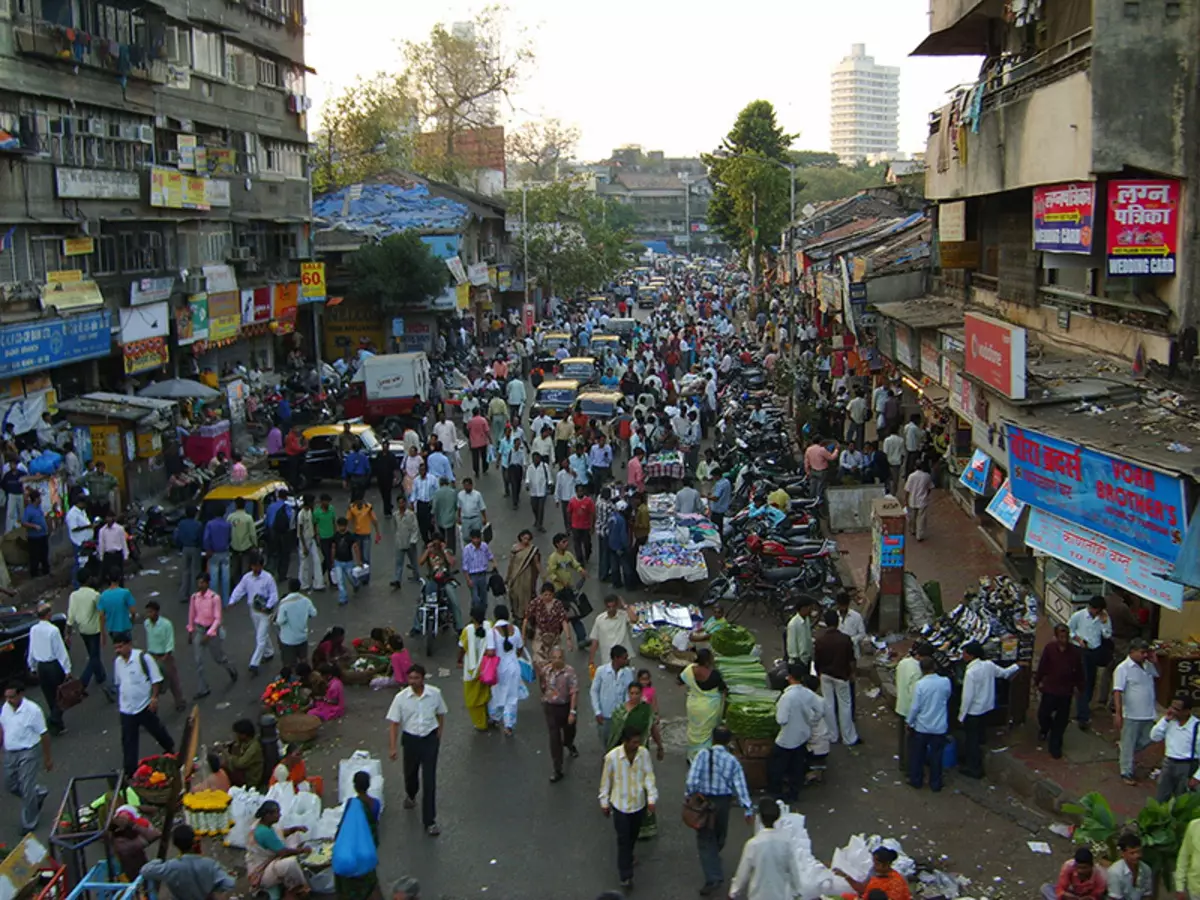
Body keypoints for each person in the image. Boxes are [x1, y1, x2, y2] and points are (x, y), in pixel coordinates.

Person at [686, 725, 753, 895]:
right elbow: (739, 784)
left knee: (705, 839)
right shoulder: (732, 761)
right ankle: (714, 862)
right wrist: (747, 808)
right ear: (728, 741)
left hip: (704, 803)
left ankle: (713, 876)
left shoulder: (702, 755)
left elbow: (692, 780)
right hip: (723, 804)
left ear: (712, 738)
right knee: (719, 835)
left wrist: (689, 795)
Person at [386, 664, 447, 837]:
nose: (413, 681)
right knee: (410, 773)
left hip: (429, 739)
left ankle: (430, 821)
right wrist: (392, 747)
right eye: (410, 678)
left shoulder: (434, 694)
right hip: (411, 739)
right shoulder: (401, 698)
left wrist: (439, 734)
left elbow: (441, 713)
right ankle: (411, 794)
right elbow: (394, 724)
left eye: (416, 678)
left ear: (423, 678)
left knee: (430, 781)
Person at [598, 726, 658, 892]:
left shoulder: (643, 754)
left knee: (632, 837)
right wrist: (604, 802)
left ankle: (629, 857)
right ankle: (626, 875)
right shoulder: (612, 758)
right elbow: (606, 782)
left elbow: (649, 776)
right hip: (620, 806)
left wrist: (651, 798)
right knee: (623, 840)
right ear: (625, 742)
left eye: (638, 742)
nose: (637, 745)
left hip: (638, 804)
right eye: (634, 742)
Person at [112, 632, 176, 776]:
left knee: (156, 729)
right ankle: (130, 771)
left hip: (144, 705)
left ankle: (169, 748)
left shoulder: (143, 658)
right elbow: (119, 683)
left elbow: (156, 680)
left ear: (129, 644)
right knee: (128, 741)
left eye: (120, 647)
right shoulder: (118, 663)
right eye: (116, 648)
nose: (118, 651)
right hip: (127, 709)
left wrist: (154, 698)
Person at [958, 640, 1020, 779]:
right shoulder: (989, 666)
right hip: (986, 708)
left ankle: (974, 767)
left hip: (973, 711)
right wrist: (1016, 666)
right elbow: (1004, 673)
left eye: (965, 653)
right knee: (979, 737)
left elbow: (967, 697)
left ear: (971, 655)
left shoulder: (971, 673)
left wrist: (961, 716)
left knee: (971, 740)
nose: (963, 655)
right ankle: (976, 760)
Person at [1, 681, 52, 835]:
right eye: (6, 697)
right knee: (10, 784)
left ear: (21, 694)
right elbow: (3, 727)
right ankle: (38, 794)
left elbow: (44, 734)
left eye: (12, 697)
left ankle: (29, 822)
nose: (9, 700)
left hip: (29, 750)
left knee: (26, 786)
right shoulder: (6, 708)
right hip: (10, 752)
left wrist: (47, 758)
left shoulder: (33, 710)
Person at [770, 662, 824, 803]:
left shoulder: (786, 697)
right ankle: (794, 794)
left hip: (786, 738)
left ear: (789, 677)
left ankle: (777, 794)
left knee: (777, 767)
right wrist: (811, 722)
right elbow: (820, 710)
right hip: (802, 736)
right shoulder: (808, 694)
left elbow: (781, 719)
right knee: (797, 767)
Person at [729, 798, 803, 900]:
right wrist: (797, 891)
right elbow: (793, 870)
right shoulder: (785, 842)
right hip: (779, 895)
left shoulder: (753, 844)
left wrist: (734, 892)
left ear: (759, 818)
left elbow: (743, 873)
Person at [140, 824, 236, 900]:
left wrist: (158, 861)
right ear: (195, 843)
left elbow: (145, 870)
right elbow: (230, 884)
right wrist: (213, 886)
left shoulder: (171, 866)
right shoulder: (209, 864)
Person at [1114, 638, 1159, 785]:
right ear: (1132, 652)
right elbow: (1117, 692)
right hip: (1132, 713)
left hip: (1148, 712)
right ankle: (1126, 771)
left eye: (1146, 652)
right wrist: (1118, 713)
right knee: (1129, 742)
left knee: (1150, 738)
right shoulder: (1123, 668)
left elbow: (1159, 674)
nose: (1144, 655)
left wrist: (1155, 661)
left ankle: (1126, 752)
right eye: (1142, 652)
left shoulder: (1147, 666)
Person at [1035, 623, 1083, 760]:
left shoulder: (1074, 652)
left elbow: (1079, 671)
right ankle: (1045, 728)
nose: (1064, 639)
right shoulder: (1050, 649)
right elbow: (1042, 666)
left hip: (1065, 691)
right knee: (1043, 714)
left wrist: (1080, 687)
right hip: (1050, 689)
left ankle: (1055, 745)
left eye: (1066, 636)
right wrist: (1037, 681)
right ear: (1056, 637)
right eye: (1061, 636)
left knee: (1061, 720)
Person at [244, 800, 310, 899]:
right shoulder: (263, 832)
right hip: (261, 871)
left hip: (267, 861)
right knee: (291, 863)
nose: (279, 815)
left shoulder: (263, 825)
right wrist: (301, 851)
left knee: (294, 837)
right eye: (277, 813)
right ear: (267, 815)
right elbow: (283, 852)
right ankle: (296, 888)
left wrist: (295, 829)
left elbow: (280, 833)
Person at [187, 573, 238, 699]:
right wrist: (190, 630)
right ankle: (203, 688)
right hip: (199, 630)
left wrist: (209, 634)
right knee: (198, 661)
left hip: (212, 630)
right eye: (199, 583)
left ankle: (230, 668)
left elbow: (218, 618)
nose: (200, 585)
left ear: (207, 583)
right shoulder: (194, 597)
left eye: (202, 582)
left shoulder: (215, 598)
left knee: (218, 658)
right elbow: (191, 614)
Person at [229, 553, 279, 676]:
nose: (256, 568)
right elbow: (240, 589)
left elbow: (274, 595)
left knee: (260, 637)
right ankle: (269, 652)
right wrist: (232, 601)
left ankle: (254, 664)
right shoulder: (247, 578)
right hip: (253, 610)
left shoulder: (268, 578)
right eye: (254, 566)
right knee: (261, 633)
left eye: (258, 566)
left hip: (265, 612)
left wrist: (267, 606)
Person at [906, 657, 952, 792]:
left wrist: (909, 721)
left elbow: (915, 707)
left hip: (922, 726)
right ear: (935, 667)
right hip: (939, 726)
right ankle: (935, 783)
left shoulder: (920, 685)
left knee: (918, 755)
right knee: (937, 756)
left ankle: (916, 780)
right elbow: (947, 697)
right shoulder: (945, 682)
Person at [335, 770, 381, 900]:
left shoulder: (351, 804)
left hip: (351, 851)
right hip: (367, 847)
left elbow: (344, 825)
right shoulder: (375, 803)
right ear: (369, 785)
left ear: (354, 786)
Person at [1069, 595, 1113, 730]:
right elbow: (1069, 629)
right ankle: (1083, 713)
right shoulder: (1079, 616)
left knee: (1092, 680)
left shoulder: (1103, 619)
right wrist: (1077, 639)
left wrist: (1104, 622)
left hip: (1096, 651)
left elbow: (1107, 635)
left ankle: (1084, 704)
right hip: (1082, 651)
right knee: (1084, 679)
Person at [815, 610, 858, 745]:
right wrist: (852, 673)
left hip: (825, 675)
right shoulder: (845, 639)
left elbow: (817, 659)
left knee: (828, 704)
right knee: (845, 705)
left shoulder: (820, 640)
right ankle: (848, 737)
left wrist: (818, 673)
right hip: (841, 675)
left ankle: (832, 735)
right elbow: (851, 659)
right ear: (838, 622)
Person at [68, 574, 114, 702]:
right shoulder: (95, 595)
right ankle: (83, 683)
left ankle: (100, 675)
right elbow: (101, 613)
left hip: (82, 629)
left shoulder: (73, 595)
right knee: (94, 657)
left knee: (92, 653)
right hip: (94, 630)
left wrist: (68, 631)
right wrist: (104, 632)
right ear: (88, 579)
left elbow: (70, 615)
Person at [27, 603, 69, 735]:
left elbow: (31, 649)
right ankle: (54, 719)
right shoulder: (53, 630)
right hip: (53, 665)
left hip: (41, 666)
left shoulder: (33, 629)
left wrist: (32, 666)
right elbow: (60, 651)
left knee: (49, 696)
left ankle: (59, 726)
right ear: (48, 614)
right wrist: (67, 669)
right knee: (61, 695)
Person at [680, 648, 727, 761]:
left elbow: (679, 681)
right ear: (707, 661)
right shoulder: (714, 675)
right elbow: (723, 690)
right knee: (706, 733)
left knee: (694, 729)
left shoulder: (689, 669)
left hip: (693, 705)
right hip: (709, 708)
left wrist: (693, 688)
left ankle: (691, 756)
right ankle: (702, 759)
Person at [1151, 696, 1200, 801]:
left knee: (1182, 800)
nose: (1172, 711)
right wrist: (1164, 720)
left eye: (1177, 709)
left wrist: (1197, 777)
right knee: (1161, 797)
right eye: (1171, 707)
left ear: (1187, 711)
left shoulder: (1196, 727)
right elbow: (1154, 737)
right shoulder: (1169, 722)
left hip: (1187, 766)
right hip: (1168, 763)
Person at [540, 646, 578, 782]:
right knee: (554, 737)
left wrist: (572, 711)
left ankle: (569, 743)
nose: (557, 661)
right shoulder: (545, 671)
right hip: (551, 708)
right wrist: (544, 697)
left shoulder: (570, 672)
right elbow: (542, 685)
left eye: (560, 657)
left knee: (569, 730)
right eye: (554, 658)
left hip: (566, 706)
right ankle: (557, 768)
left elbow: (574, 692)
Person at [485, 606, 524, 735]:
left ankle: (495, 717)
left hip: (499, 668)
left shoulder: (492, 632)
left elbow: (490, 652)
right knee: (512, 697)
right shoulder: (516, 629)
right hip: (514, 666)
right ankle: (509, 725)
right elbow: (520, 648)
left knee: (497, 693)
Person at [143, 601, 186, 712]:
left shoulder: (166, 624)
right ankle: (153, 705)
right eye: (147, 612)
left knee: (172, 679)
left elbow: (170, 640)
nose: (149, 614)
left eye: (151, 612)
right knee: (153, 682)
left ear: (157, 612)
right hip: (152, 656)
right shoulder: (147, 623)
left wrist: (166, 655)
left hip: (164, 656)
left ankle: (179, 701)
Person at [591, 644, 635, 748]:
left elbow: (629, 693)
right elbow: (594, 691)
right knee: (606, 743)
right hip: (605, 715)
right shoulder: (601, 671)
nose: (627, 660)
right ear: (616, 658)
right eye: (624, 658)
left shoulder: (628, 673)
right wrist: (597, 711)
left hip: (621, 717)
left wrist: (628, 711)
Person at [457, 608, 492, 732]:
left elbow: (462, 648)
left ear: (472, 617)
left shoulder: (468, 630)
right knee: (486, 694)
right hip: (487, 668)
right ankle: (490, 717)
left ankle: (480, 723)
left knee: (473, 697)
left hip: (472, 670)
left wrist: (459, 660)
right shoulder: (489, 626)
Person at [525, 582, 573, 671]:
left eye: (550, 595)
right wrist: (523, 636)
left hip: (554, 638)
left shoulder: (558, 604)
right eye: (545, 595)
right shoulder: (536, 602)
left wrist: (568, 639)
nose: (547, 597)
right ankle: (543, 682)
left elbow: (564, 621)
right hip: (539, 638)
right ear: (541, 594)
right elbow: (526, 618)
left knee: (556, 662)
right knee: (540, 664)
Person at [837, 847, 912, 900]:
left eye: (877, 864)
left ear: (886, 864)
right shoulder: (874, 872)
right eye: (874, 863)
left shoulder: (896, 882)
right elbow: (862, 889)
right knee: (843, 896)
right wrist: (846, 876)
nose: (874, 866)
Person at [589, 594, 636, 673]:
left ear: (617, 605)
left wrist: (625, 605)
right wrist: (591, 659)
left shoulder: (623, 615)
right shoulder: (599, 619)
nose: (611, 609)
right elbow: (595, 640)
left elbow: (634, 619)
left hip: (623, 657)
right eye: (609, 607)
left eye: (613, 606)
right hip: (607, 658)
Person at [276, 579, 318, 667]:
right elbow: (313, 613)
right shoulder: (305, 600)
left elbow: (280, 621)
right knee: (303, 661)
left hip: (288, 639)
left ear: (289, 588)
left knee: (290, 663)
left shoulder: (284, 603)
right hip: (302, 637)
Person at [1041, 847, 1105, 900]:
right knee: (1045, 888)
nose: (1080, 871)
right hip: (1074, 894)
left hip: (1087, 896)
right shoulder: (1068, 866)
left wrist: (1089, 897)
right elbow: (1061, 888)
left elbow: (1098, 894)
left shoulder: (1099, 875)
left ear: (1091, 866)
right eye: (1078, 867)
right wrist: (1066, 895)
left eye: (1084, 868)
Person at [504, 529, 541, 621]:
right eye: (524, 538)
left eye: (528, 539)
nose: (526, 541)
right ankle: (516, 613)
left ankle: (525, 614)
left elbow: (536, 563)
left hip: (526, 575)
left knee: (525, 595)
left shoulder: (532, 550)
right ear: (520, 538)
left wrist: (543, 575)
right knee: (515, 594)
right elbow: (511, 563)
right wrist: (508, 577)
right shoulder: (515, 549)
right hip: (515, 575)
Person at [173, 506, 204, 604]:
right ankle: (196, 594)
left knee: (186, 572)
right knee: (196, 571)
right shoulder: (198, 524)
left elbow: (177, 536)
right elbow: (200, 538)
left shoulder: (181, 524)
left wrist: (179, 546)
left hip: (185, 548)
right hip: (195, 548)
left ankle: (183, 594)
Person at [1106, 833, 1151, 900]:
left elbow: (1147, 895)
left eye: (1139, 851)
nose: (1137, 856)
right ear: (1122, 853)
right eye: (1132, 853)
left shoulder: (1146, 869)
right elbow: (1115, 898)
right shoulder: (1115, 872)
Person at [346, 495, 380, 583]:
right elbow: (348, 520)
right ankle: (361, 575)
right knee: (359, 558)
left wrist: (377, 533)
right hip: (356, 535)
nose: (359, 503)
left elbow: (374, 520)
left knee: (366, 557)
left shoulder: (368, 507)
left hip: (366, 535)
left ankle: (366, 577)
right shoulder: (351, 508)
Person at [329, 518, 363, 607]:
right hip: (338, 561)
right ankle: (343, 598)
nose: (341, 528)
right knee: (340, 581)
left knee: (351, 576)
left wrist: (359, 560)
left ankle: (356, 584)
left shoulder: (350, 536)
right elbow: (333, 548)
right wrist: (332, 560)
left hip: (348, 561)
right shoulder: (335, 536)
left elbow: (356, 548)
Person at [296, 495, 326, 593]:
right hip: (304, 540)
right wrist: (304, 546)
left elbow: (314, 525)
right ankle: (303, 584)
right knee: (304, 563)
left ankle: (318, 584)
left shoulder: (310, 511)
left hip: (312, 539)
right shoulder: (301, 514)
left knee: (316, 560)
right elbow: (300, 532)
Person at [461, 529, 495, 611]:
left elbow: (489, 555)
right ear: (471, 539)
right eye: (474, 538)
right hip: (473, 576)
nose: (477, 541)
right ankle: (475, 614)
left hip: (483, 575)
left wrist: (494, 563)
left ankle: (482, 615)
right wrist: (468, 579)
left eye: (478, 538)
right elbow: (465, 566)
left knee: (484, 598)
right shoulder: (467, 549)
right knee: (476, 599)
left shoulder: (484, 546)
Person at [391, 498, 421, 591]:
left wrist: (413, 540)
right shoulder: (395, 515)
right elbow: (395, 527)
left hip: (410, 542)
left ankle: (417, 576)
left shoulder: (411, 515)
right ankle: (397, 580)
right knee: (398, 562)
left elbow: (415, 528)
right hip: (400, 542)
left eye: (403, 502)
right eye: (399, 503)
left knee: (413, 561)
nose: (401, 505)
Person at [228, 498, 259, 589]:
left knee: (234, 567)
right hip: (246, 546)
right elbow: (252, 533)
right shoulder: (248, 518)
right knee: (245, 569)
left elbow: (228, 531)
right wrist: (255, 544)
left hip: (234, 546)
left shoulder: (230, 517)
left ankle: (232, 586)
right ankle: (244, 587)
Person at [227, 718, 265, 788]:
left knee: (224, 768)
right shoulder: (245, 742)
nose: (235, 736)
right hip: (245, 772)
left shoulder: (254, 748)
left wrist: (227, 754)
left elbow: (240, 764)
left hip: (251, 779)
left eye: (237, 733)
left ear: (244, 735)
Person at [903, 461, 935, 541]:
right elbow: (930, 488)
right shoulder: (927, 476)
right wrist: (926, 495)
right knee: (921, 518)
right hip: (922, 500)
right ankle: (919, 535)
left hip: (912, 499)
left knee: (912, 516)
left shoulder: (911, 476)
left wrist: (906, 500)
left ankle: (913, 529)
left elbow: (907, 490)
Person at [21, 489, 49, 577]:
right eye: (39, 498)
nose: (41, 499)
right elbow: (24, 522)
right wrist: (34, 526)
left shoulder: (39, 508)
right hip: (34, 537)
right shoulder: (29, 510)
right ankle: (34, 574)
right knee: (34, 556)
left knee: (44, 554)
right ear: (36, 499)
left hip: (43, 535)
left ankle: (46, 571)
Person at [803, 435, 838, 503]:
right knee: (820, 488)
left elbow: (806, 462)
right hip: (822, 471)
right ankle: (818, 503)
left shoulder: (809, 449)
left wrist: (807, 472)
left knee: (812, 488)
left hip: (813, 470)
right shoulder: (822, 450)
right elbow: (831, 457)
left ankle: (811, 502)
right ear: (820, 442)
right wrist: (836, 450)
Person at [568, 483, 596, 565]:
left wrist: (592, 526)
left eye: (581, 491)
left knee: (587, 543)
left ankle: (587, 553)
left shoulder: (588, 501)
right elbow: (569, 513)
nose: (580, 493)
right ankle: (580, 559)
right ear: (576, 492)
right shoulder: (572, 501)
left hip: (586, 527)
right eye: (578, 491)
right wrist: (570, 525)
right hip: (575, 526)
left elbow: (592, 514)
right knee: (577, 544)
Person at [456, 478, 488, 547]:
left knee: (477, 536)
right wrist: (458, 517)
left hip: (475, 518)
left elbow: (482, 507)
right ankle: (470, 548)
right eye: (464, 486)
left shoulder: (477, 494)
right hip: (465, 519)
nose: (466, 487)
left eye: (467, 486)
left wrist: (484, 518)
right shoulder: (460, 495)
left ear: (471, 485)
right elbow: (459, 507)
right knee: (466, 537)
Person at [525, 451, 552, 533]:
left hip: (542, 491)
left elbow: (549, 476)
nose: (535, 460)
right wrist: (527, 484)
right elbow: (527, 478)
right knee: (534, 507)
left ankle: (540, 524)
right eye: (534, 458)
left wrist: (550, 484)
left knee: (541, 508)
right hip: (533, 491)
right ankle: (537, 519)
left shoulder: (544, 466)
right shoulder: (530, 468)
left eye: (537, 458)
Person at [785, 599, 815, 669]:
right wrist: (797, 660)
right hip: (797, 662)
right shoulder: (793, 624)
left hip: (806, 659)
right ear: (803, 608)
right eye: (809, 608)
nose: (811, 611)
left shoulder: (807, 620)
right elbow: (791, 644)